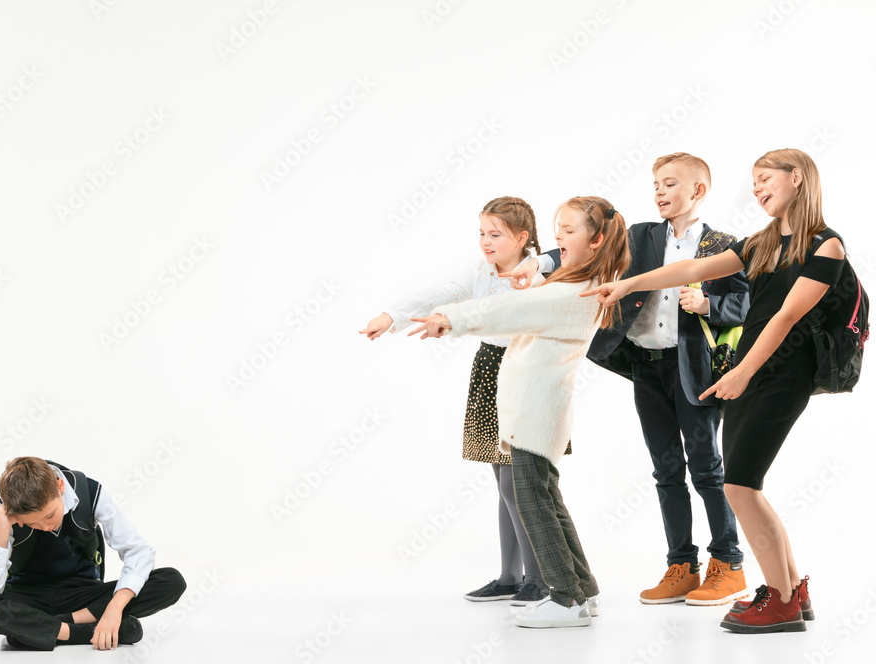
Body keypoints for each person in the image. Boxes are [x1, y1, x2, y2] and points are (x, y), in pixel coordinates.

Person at [583, 148, 844, 633]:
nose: (757, 188)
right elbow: (690, 270)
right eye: (753, 181)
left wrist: (741, 370)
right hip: (747, 373)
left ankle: (777, 598)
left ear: (797, 178)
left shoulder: (825, 246)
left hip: (781, 374)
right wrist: (628, 286)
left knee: (736, 484)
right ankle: (789, 589)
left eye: (765, 178)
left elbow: (786, 317)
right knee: (741, 485)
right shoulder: (763, 241)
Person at [411, 196, 630, 628]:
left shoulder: (571, 291)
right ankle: (584, 590)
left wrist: (451, 318)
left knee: (533, 502)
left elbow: (510, 310)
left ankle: (566, 599)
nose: (558, 237)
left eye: (569, 230)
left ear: (596, 239)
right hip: (540, 408)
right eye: (558, 228)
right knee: (548, 500)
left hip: (535, 411)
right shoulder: (579, 281)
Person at [360, 196, 560, 606]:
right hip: (490, 369)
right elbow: (441, 292)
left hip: (527, 372)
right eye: (482, 233)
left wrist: (455, 322)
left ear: (522, 238)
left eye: (496, 234)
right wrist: (391, 316)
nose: (486, 242)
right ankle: (510, 577)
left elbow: (514, 315)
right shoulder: (480, 272)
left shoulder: (541, 275)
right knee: (501, 479)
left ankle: (539, 578)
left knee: (520, 482)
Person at [0, 457, 187, 650]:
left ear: (60, 487)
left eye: (49, 515)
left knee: (171, 580)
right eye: (33, 523)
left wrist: (115, 608)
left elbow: (138, 552)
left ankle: (37, 631)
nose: (46, 527)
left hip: (83, 594)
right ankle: (83, 632)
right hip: (28, 597)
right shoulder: (4, 509)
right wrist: (2, 526)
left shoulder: (90, 491)